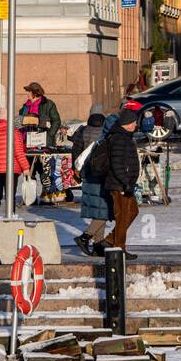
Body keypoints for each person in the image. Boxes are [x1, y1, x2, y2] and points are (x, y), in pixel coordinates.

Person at [71, 104, 111, 255]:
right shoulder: (106, 130)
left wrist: (77, 171)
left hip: (88, 174)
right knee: (105, 210)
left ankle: (98, 245)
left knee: (98, 210)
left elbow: (76, 151)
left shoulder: (83, 130)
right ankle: (85, 237)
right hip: (103, 174)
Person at [103, 111, 141, 258]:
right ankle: (119, 248)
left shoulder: (125, 137)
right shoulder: (119, 138)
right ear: (127, 123)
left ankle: (110, 239)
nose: (136, 124)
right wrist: (125, 183)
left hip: (124, 183)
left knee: (133, 211)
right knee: (123, 216)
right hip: (119, 185)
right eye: (134, 122)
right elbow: (117, 164)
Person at [0, 111, 30, 221]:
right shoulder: (14, 132)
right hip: (11, 168)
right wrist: (25, 167)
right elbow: (18, 152)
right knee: (10, 195)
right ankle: (10, 216)